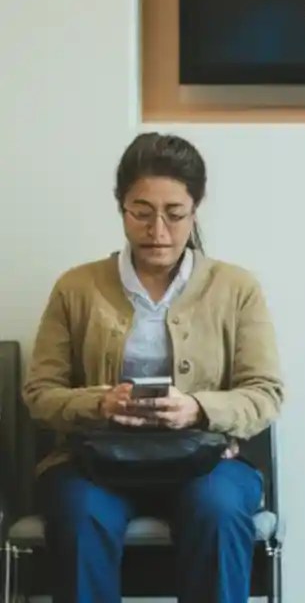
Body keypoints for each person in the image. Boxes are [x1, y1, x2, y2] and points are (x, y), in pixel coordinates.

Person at [23, 132, 285, 603]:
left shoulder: (236, 287)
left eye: (174, 214)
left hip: (206, 461)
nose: (157, 230)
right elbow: (40, 392)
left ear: (195, 209)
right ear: (120, 206)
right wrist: (99, 402)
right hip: (95, 461)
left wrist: (197, 409)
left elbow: (265, 392)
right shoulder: (76, 287)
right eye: (141, 212)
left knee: (220, 509)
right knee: (81, 513)